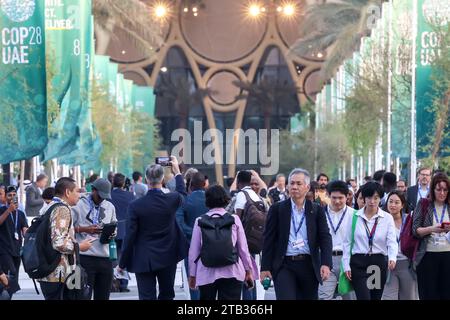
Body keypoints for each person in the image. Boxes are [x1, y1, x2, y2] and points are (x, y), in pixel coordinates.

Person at [119, 156, 189, 300]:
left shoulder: (135, 206)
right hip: (168, 254)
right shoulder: (171, 200)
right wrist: (177, 172)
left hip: (143, 257)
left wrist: (122, 262)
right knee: (167, 294)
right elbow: (182, 193)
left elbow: (130, 235)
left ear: (146, 180)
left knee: (146, 296)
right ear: (162, 179)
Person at [260, 168, 332, 300]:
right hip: (284, 265)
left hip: (309, 265)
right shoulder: (277, 209)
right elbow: (268, 239)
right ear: (287, 186)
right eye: (292, 183)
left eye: (299, 184)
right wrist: (265, 267)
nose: (294, 187)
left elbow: (325, 237)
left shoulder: (317, 210)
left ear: (307, 187)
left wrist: (326, 263)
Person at [188, 185, 255, 300]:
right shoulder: (234, 219)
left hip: (206, 273)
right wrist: (248, 270)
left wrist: (192, 275)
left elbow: (194, 251)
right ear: (225, 199)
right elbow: (243, 248)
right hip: (232, 271)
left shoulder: (199, 221)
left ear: (207, 200)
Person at [38, 178, 93, 300]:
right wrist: (79, 247)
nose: (80, 194)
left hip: (48, 271)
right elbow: (58, 242)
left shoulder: (49, 206)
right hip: (58, 273)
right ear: (68, 192)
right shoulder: (62, 209)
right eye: (77, 191)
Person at [342, 182, 398, 300]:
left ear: (380, 199)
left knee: (374, 298)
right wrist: (346, 265)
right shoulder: (354, 216)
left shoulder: (387, 218)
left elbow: (392, 241)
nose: (372, 201)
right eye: (369, 197)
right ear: (363, 198)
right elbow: (347, 243)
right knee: (364, 297)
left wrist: (392, 257)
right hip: (359, 263)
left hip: (377, 263)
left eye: (376, 198)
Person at [72, 178, 117, 300]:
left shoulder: (110, 206)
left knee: (103, 296)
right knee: (81, 296)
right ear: (93, 190)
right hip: (83, 257)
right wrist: (85, 229)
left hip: (105, 258)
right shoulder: (78, 205)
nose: (102, 199)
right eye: (100, 195)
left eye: (105, 196)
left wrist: (112, 233)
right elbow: (67, 228)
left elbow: (114, 226)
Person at [412, 172, 450, 300]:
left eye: (445, 189)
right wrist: (432, 229)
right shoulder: (424, 204)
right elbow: (415, 230)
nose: (442, 193)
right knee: (428, 294)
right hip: (427, 256)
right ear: (432, 189)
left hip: (447, 256)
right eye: (439, 189)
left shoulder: (448, 206)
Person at [319, 180, 355, 300]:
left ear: (347, 197)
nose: (337, 201)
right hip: (326, 260)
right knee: (324, 296)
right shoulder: (320, 214)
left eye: (341, 197)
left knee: (349, 296)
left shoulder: (354, 215)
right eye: (334, 197)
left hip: (348, 260)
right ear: (328, 196)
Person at [176, 171, 209, 300]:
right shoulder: (211, 199)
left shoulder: (185, 201)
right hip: (212, 245)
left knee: (193, 282)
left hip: (191, 247)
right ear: (204, 184)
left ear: (190, 185)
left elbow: (179, 223)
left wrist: (194, 233)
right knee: (209, 283)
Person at [381, 190, 418, 300]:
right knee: (387, 297)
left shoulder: (409, 220)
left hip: (406, 265)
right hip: (387, 264)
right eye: (390, 201)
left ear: (402, 205)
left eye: (397, 202)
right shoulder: (381, 220)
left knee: (408, 297)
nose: (393, 205)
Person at [0, 186, 29, 299]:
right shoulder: (2, 210)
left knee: (13, 278)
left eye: (14, 195)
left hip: (16, 250)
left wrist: (29, 233)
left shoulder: (20, 214)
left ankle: (6, 295)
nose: (12, 197)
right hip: (4, 249)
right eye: (9, 195)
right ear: (5, 197)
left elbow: (24, 230)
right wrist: (8, 210)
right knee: (10, 273)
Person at [110, 173, 135, 293]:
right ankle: (123, 284)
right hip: (126, 230)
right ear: (124, 183)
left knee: (112, 257)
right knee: (124, 257)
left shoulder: (108, 196)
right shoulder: (130, 196)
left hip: (111, 230)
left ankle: (113, 283)